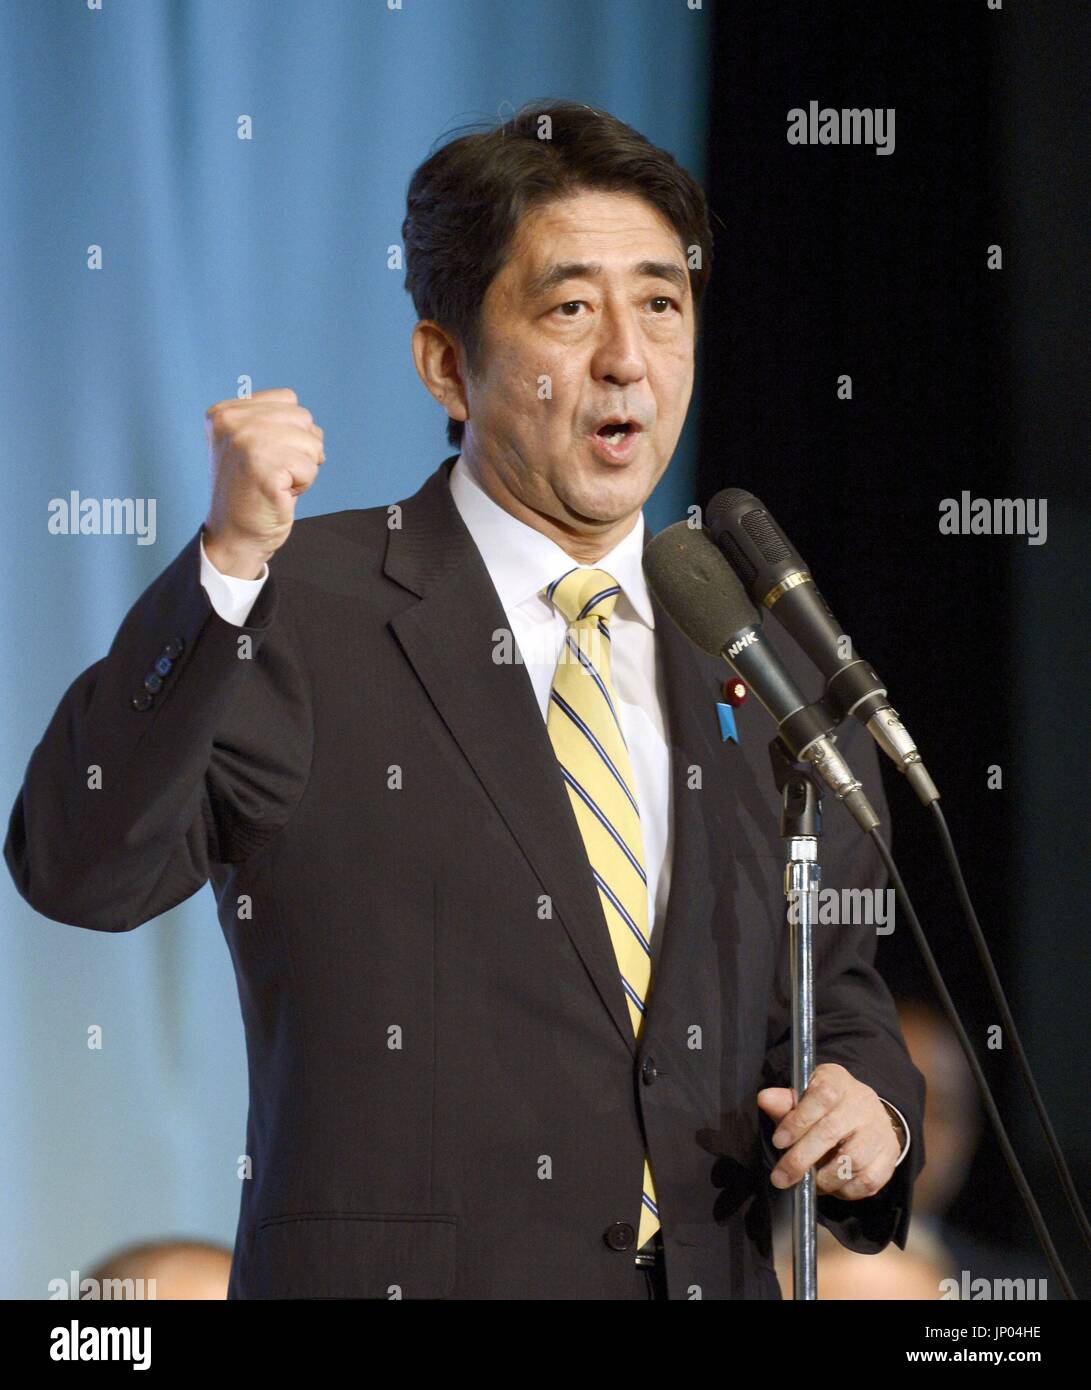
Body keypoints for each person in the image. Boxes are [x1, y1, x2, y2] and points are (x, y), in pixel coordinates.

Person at [5, 100, 924, 1300]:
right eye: (568, 306)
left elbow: (835, 998)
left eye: (659, 302)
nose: (625, 358)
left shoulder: (754, 654)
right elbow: (78, 868)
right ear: (446, 360)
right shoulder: (304, 605)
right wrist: (223, 566)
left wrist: (872, 1109)